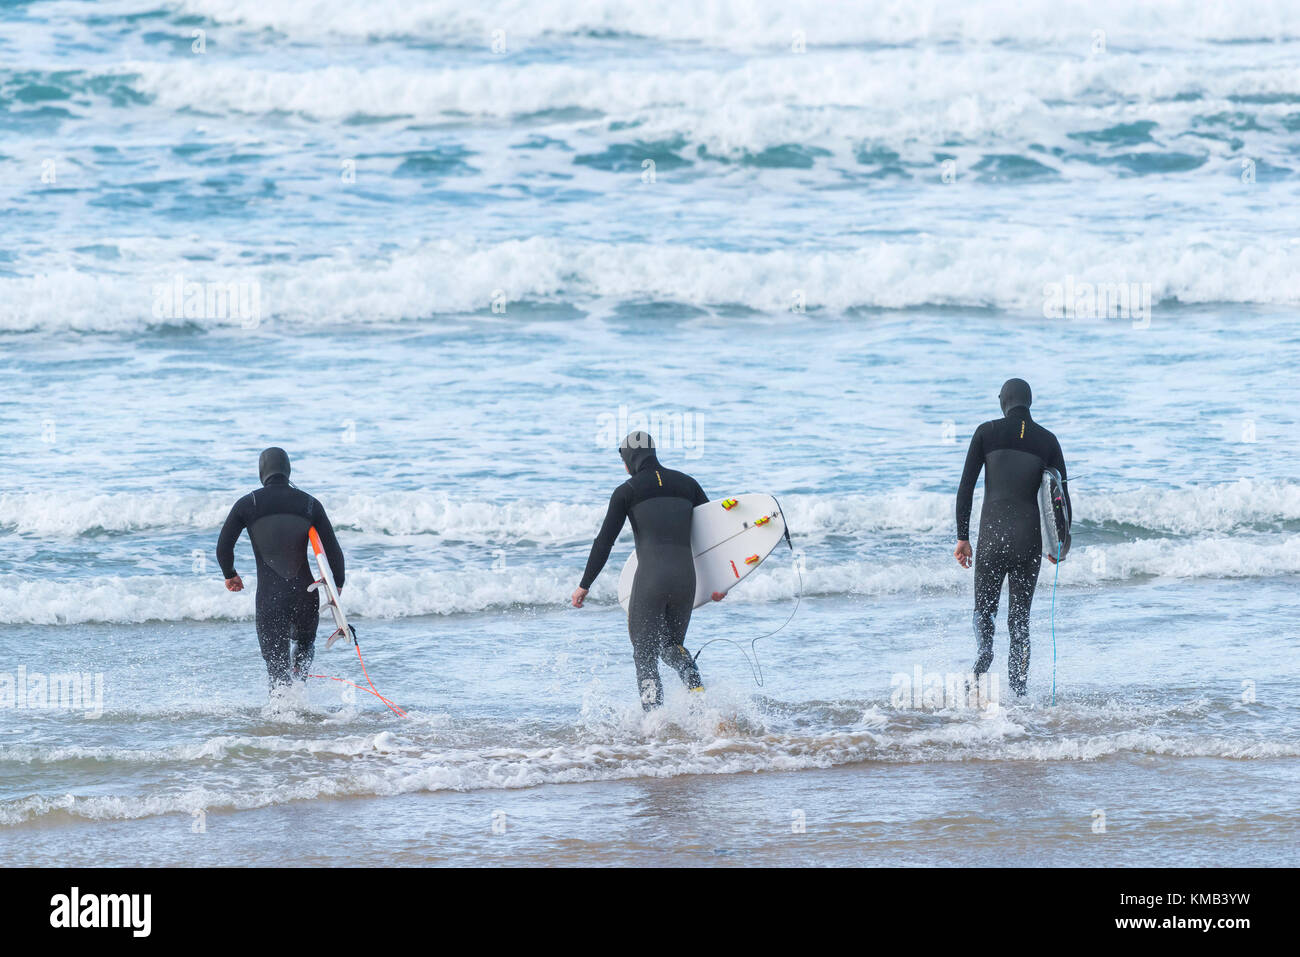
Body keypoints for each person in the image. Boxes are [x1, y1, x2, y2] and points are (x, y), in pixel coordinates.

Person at [571, 431, 723, 710]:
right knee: (671, 647)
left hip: (651, 579)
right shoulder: (688, 484)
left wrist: (585, 584)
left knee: (645, 655)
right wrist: (720, 582)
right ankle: (698, 693)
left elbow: (604, 541)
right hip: (685, 581)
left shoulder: (627, 491)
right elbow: (712, 535)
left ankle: (653, 723)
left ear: (629, 459)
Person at [953, 379, 1071, 696]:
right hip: (1029, 541)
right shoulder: (1048, 440)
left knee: (984, 611)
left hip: (992, 538)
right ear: (1028, 402)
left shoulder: (986, 432)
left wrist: (963, 537)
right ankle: (1019, 693)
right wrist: (1059, 543)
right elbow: (1061, 496)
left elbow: (965, 488)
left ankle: (984, 653)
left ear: (1003, 401)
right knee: (1020, 622)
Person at [216, 447, 345, 690]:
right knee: (305, 647)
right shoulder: (309, 503)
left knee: (275, 667)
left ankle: (282, 714)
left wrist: (230, 574)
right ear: (287, 469)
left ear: (262, 471)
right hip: (305, 595)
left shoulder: (248, 503)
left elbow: (223, 547)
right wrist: (337, 584)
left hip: (270, 598)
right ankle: (299, 692)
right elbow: (333, 550)